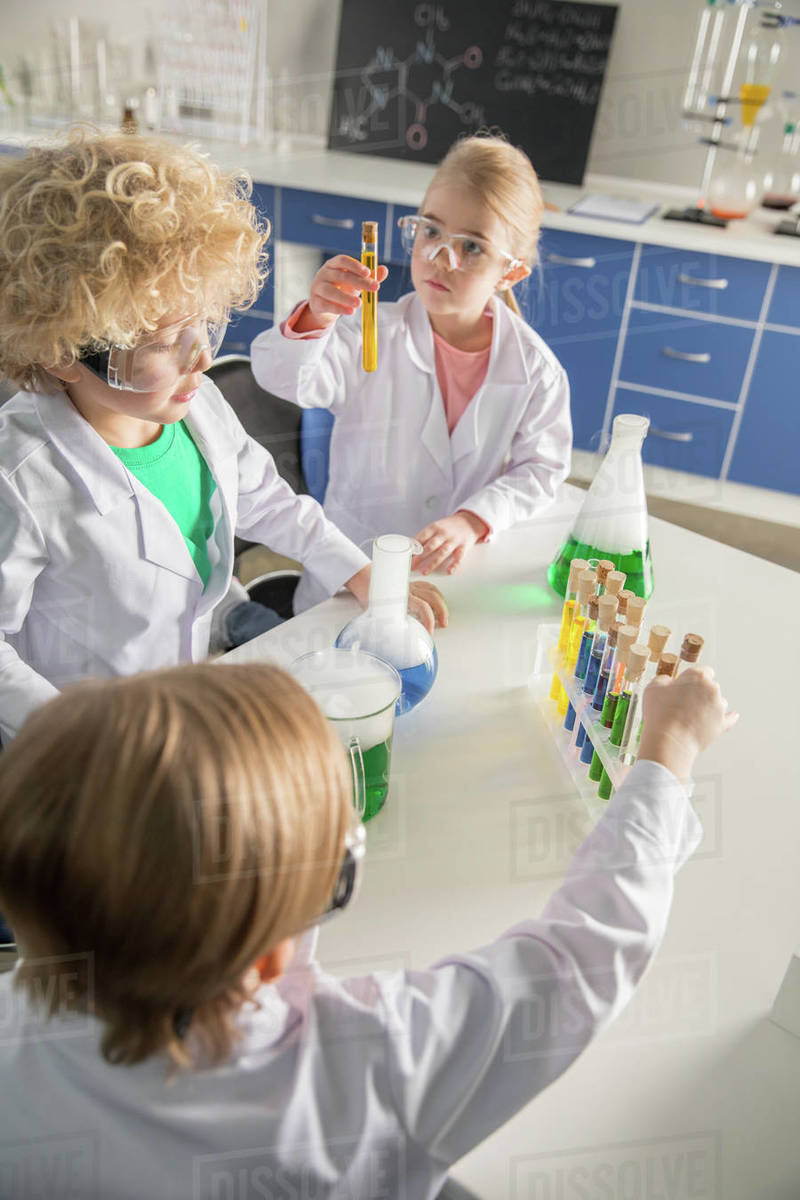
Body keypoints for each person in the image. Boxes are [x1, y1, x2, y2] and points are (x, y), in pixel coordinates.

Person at [0, 660, 737, 1198]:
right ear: (261, 965)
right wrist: (666, 754)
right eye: (336, 874)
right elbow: (585, 957)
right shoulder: (371, 1068)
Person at [0, 131, 445, 742]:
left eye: (205, 319)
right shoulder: (20, 479)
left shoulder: (196, 406)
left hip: (183, 698)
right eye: (160, 341)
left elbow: (266, 499)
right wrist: (73, 738)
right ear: (58, 351)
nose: (203, 357)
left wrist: (355, 570)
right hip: (83, 752)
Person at [252, 133, 572, 612]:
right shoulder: (370, 331)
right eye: (431, 232)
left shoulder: (534, 369)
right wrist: (316, 316)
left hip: (447, 579)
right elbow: (282, 378)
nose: (441, 258)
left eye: (472, 247)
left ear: (511, 273)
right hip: (349, 578)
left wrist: (473, 519)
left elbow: (542, 470)